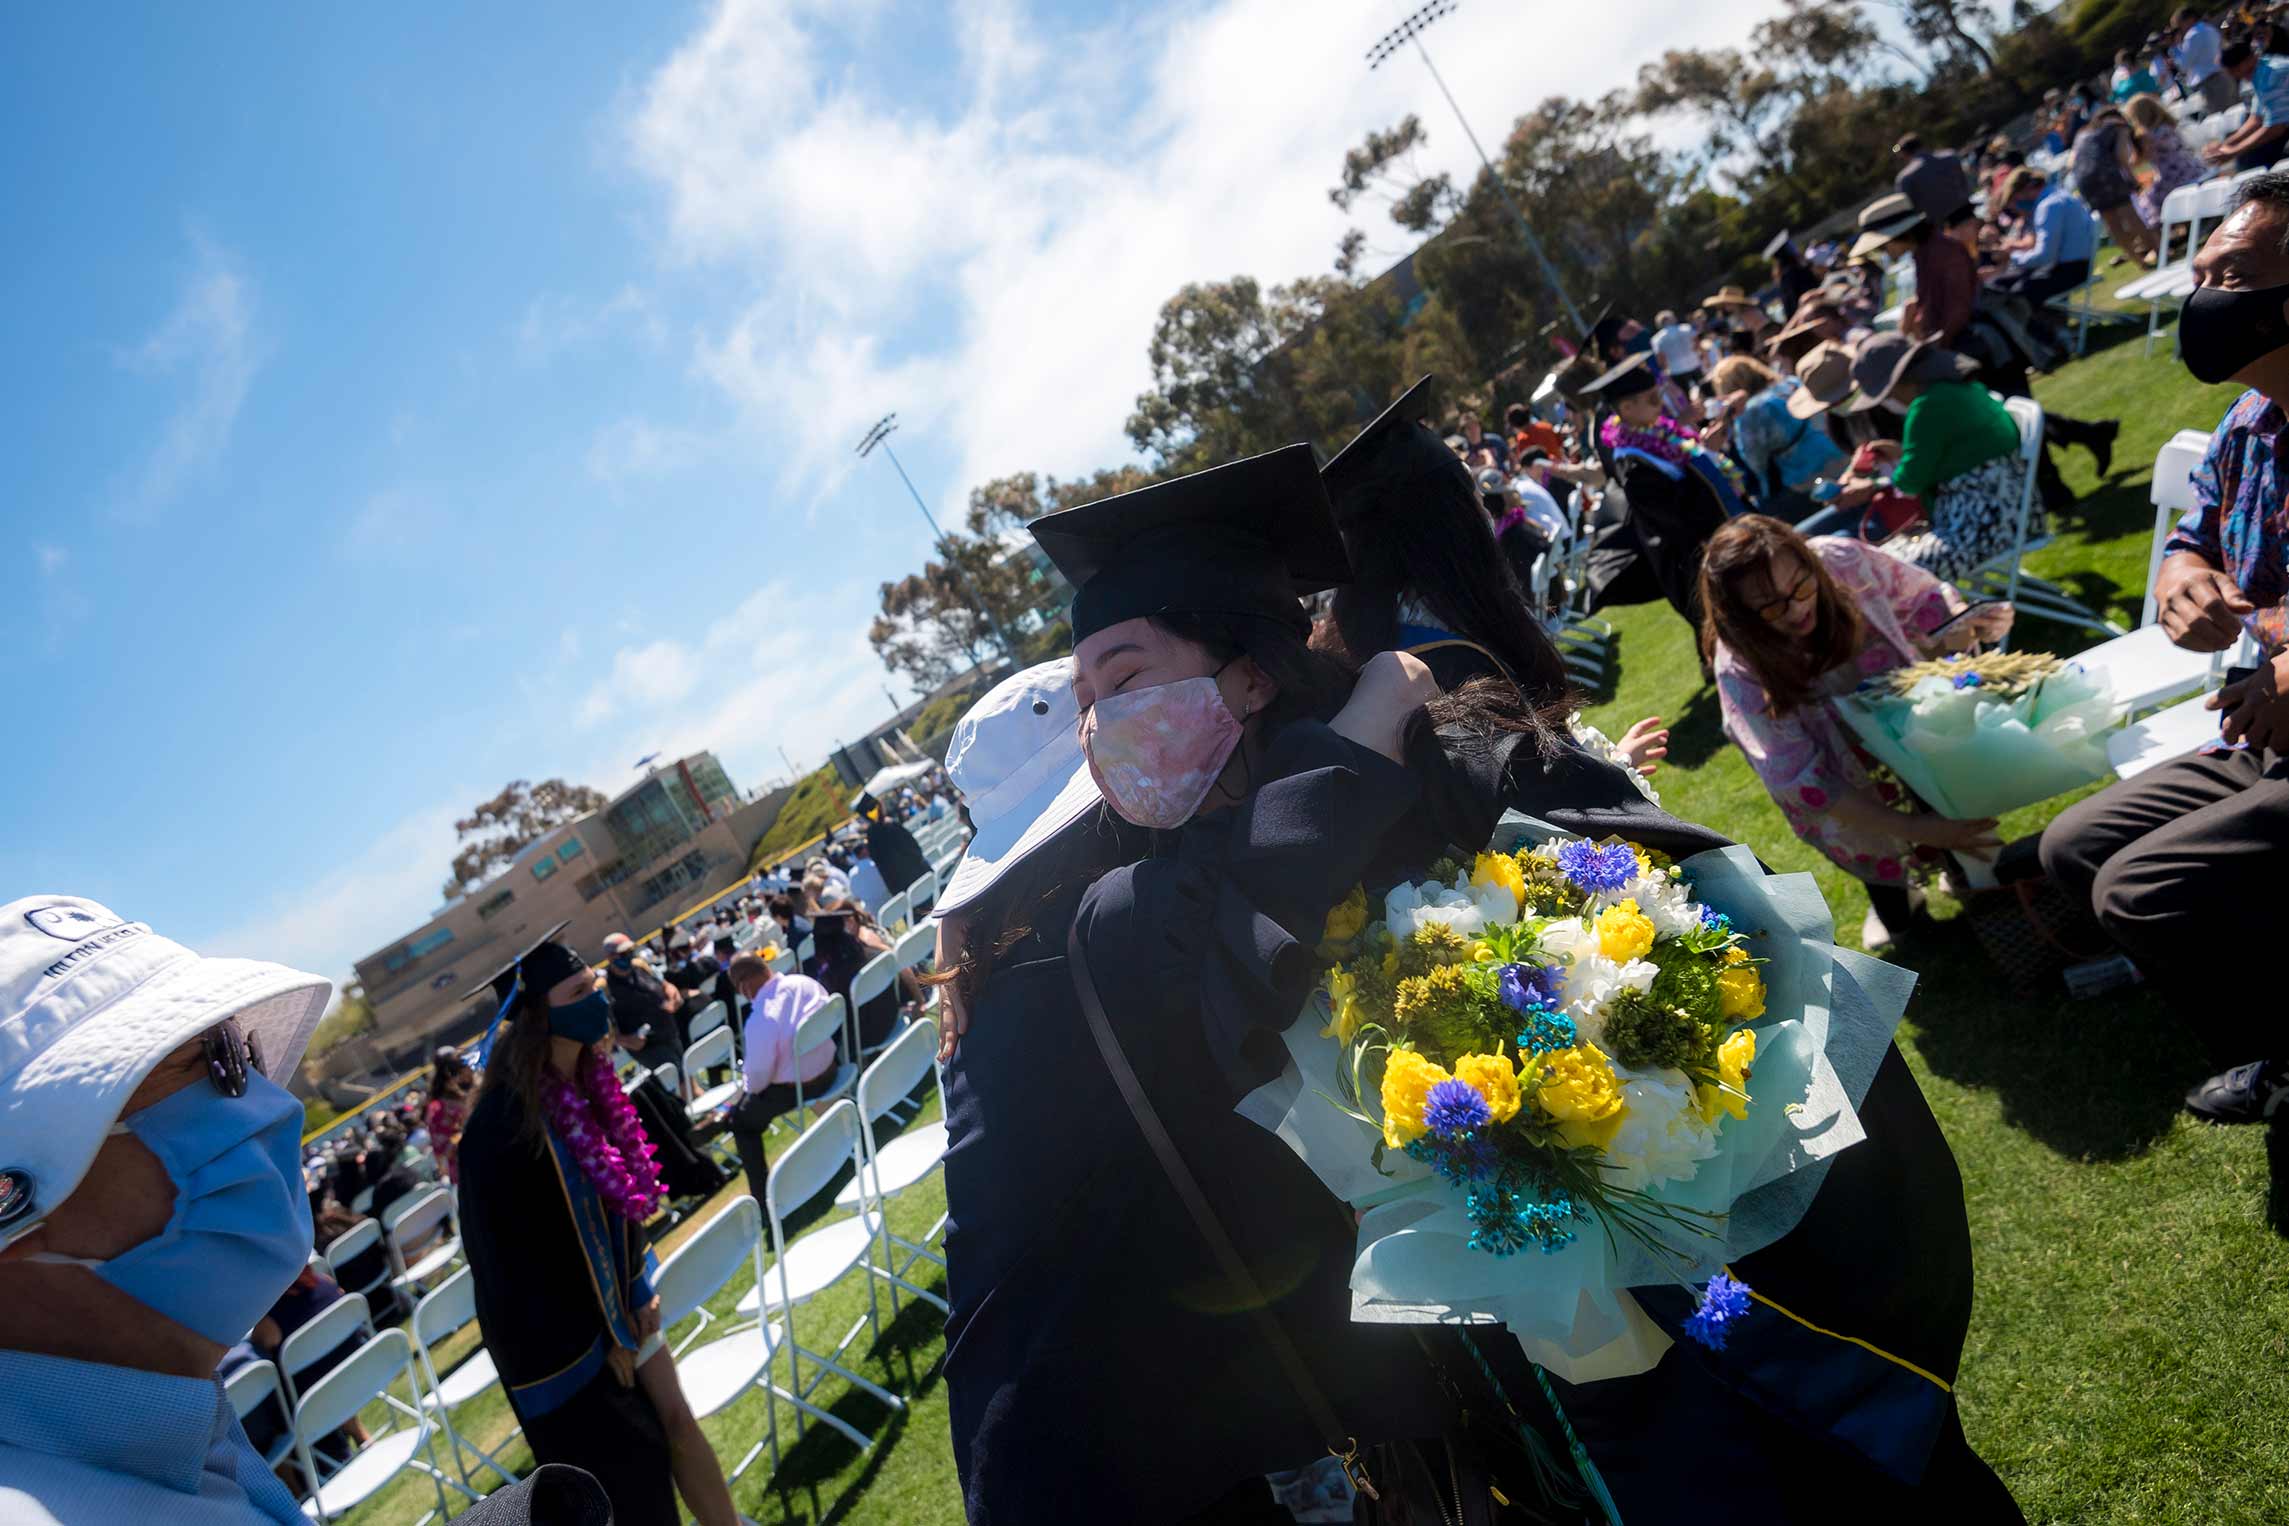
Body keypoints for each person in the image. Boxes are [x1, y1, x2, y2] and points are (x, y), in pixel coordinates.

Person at [2038, 173, 2289, 1166]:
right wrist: (2185, 573)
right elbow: (2194, 531)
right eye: (2200, 277)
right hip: (2263, 721)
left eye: (2233, 276)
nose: (2205, 301)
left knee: (2142, 890)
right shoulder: (2247, 426)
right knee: (2071, 850)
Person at [0, 896, 335, 1523]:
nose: (271, 1104)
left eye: (240, 1052)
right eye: (210, 1067)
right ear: (10, 1202)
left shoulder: (154, 1439)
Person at [455, 925, 740, 1526]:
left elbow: (621, 1200)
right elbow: (515, 1268)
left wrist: (636, 1291)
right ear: (536, 1016)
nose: (598, 999)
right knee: (630, 1476)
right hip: (569, 1348)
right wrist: (602, 1336)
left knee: (679, 1423)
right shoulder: (500, 1130)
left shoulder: (592, 1080)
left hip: (626, 1302)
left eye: (595, 984)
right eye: (580, 990)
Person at [1698, 516, 2013, 948]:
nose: (1797, 610)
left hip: (1910, 734)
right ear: (1742, 616)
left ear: (1810, 560)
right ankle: (1904, 918)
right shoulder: (1739, 669)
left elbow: (1922, 598)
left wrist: (1959, 624)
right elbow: (1806, 783)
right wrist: (1922, 832)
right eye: (1772, 607)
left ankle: (1964, 878)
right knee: (1896, 903)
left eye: (1802, 587)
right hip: (1847, 792)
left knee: (1957, 834)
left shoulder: (1840, 558)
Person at [1839, 332, 2029, 583]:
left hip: (1986, 525)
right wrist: (1902, 454)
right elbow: (1955, 453)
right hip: (2009, 509)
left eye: (1885, 395)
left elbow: (1910, 482)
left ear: (1897, 383)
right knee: (1881, 564)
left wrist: (1878, 480)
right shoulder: (1955, 387)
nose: (1887, 402)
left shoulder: (1927, 408)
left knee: (1885, 575)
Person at [1582, 350, 1747, 623]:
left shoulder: (1661, 434)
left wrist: (1706, 452)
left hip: (1723, 543)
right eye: (1653, 399)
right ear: (1626, 409)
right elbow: (1679, 517)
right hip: (1698, 564)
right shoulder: (1633, 465)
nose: (1661, 404)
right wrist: (1706, 457)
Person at [716, 952, 840, 1203]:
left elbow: (758, 1080)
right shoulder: (803, 983)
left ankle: (762, 1199)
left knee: (740, 1121)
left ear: (744, 986)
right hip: (831, 1067)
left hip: (801, 1087)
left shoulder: (762, 1017)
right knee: (743, 1104)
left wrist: (747, 1088)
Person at [1709, 353, 1849, 518]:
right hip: (1836, 453)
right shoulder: (1791, 383)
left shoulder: (1750, 414)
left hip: (1802, 478)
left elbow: (1755, 462)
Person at [1990, 169, 2100, 303]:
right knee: (2011, 283)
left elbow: (2045, 256)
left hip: (2072, 270)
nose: (2017, 205)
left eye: (2016, 198)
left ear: (2027, 189)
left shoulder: (2047, 206)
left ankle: (2042, 322)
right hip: (2079, 265)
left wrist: (2013, 256)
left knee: (2018, 291)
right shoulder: (2057, 194)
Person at [2071, 106, 2156, 264]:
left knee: (2112, 224)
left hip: (2082, 179)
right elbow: (2121, 157)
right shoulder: (2118, 126)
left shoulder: (2083, 133)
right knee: (2130, 215)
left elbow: (2072, 162)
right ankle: (2158, 250)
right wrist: (2133, 180)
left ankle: (2138, 261)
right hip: (2105, 174)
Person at [602, 931, 684, 1073]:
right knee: (676, 1075)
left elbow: (665, 985)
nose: (628, 956)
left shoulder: (639, 965)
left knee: (686, 1071)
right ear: (610, 957)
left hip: (667, 1030)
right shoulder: (605, 987)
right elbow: (607, 1030)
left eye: (630, 951)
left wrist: (673, 995)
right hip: (646, 1046)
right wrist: (625, 1040)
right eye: (623, 953)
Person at [2126, 91, 2208, 233]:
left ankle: (2162, 237)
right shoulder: (2168, 126)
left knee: (2147, 201)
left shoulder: (2147, 136)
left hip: (2175, 176)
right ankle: (2186, 227)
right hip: (2191, 168)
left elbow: (2139, 161)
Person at [2204, 40, 2289, 170]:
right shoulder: (2261, 69)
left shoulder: (2272, 74)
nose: (2234, 76)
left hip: (2283, 128)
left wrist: (2235, 151)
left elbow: (2276, 127)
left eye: (2234, 71)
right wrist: (2224, 145)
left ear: (2245, 62)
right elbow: (2256, 118)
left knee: (2251, 157)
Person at [854, 791, 930, 904]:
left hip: (904, 892)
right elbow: (915, 848)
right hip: (920, 877)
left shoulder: (871, 837)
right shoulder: (891, 824)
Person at [1893, 134, 1974, 230]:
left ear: (1904, 154)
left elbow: (1909, 212)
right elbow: (1965, 185)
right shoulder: (1951, 156)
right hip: (1970, 219)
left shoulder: (1905, 178)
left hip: (1941, 232)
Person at [424, 1046, 475, 1185]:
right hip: (471, 1174)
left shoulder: (470, 1093)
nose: (470, 1070)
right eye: (463, 1067)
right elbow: (445, 1151)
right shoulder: (438, 1109)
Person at [2176, 6, 2235, 114]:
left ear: (2189, 19)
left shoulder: (2191, 35)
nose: (2181, 28)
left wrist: (2179, 46)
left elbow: (2184, 66)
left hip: (2209, 84)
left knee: (2222, 119)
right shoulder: (2210, 28)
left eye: (2180, 24)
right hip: (2223, 74)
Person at [1649, 309, 1704, 393]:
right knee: (1705, 390)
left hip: (1676, 370)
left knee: (1686, 396)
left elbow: (1660, 359)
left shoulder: (1656, 339)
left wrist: (1665, 370)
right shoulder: (1686, 328)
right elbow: (1697, 345)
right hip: (1694, 364)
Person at [844, 838, 890, 915]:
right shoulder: (876, 864)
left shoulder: (852, 874)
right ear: (864, 851)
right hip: (891, 902)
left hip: (873, 911)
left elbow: (855, 895)